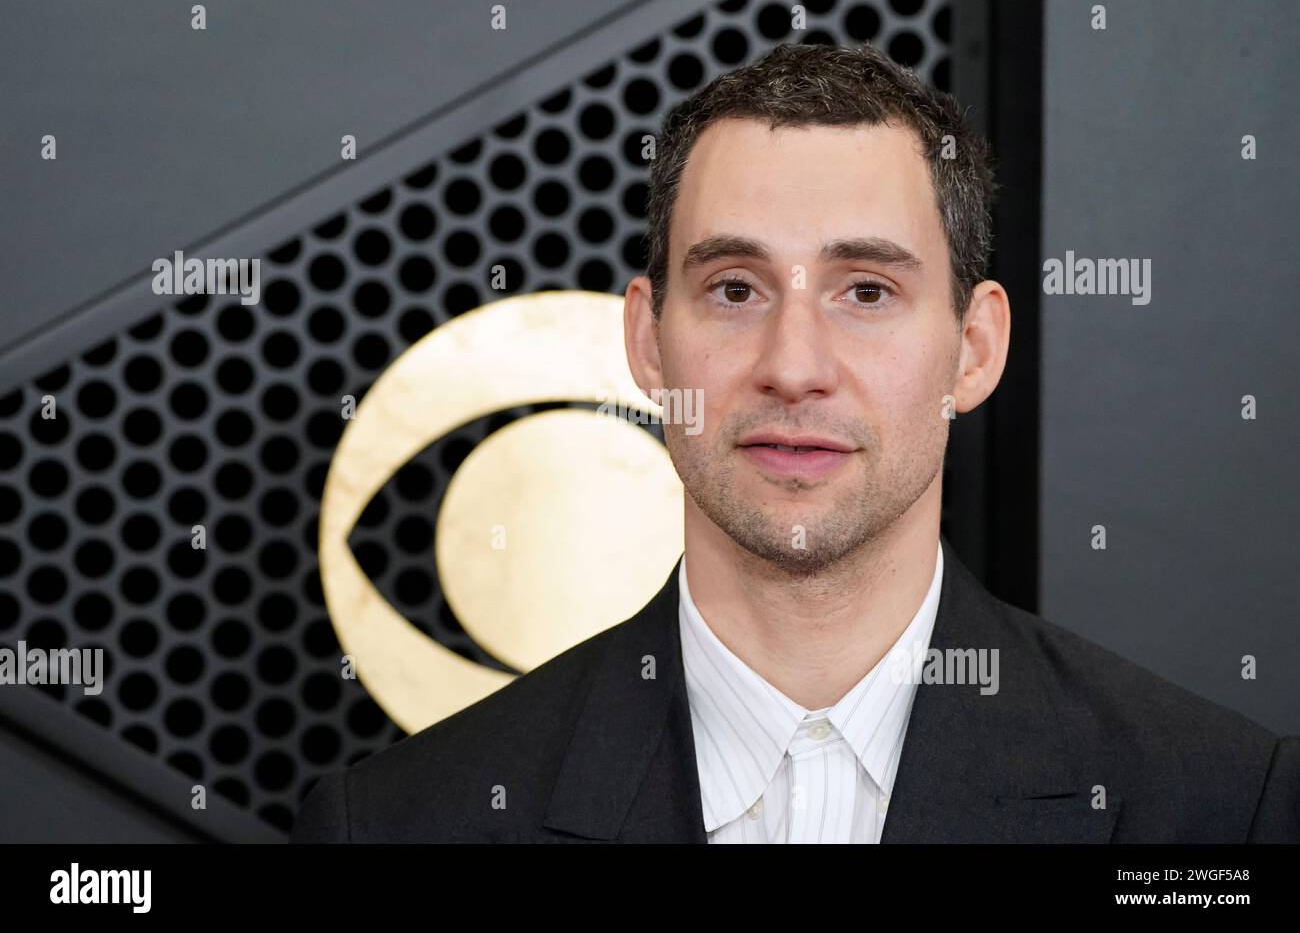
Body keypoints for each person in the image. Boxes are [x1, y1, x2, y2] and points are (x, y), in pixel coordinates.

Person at [291, 42, 1299, 843]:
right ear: (647, 338)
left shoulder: (1215, 806)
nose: (794, 364)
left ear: (974, 347)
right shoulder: (398, 821)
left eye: (867, 290)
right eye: (734, 288)